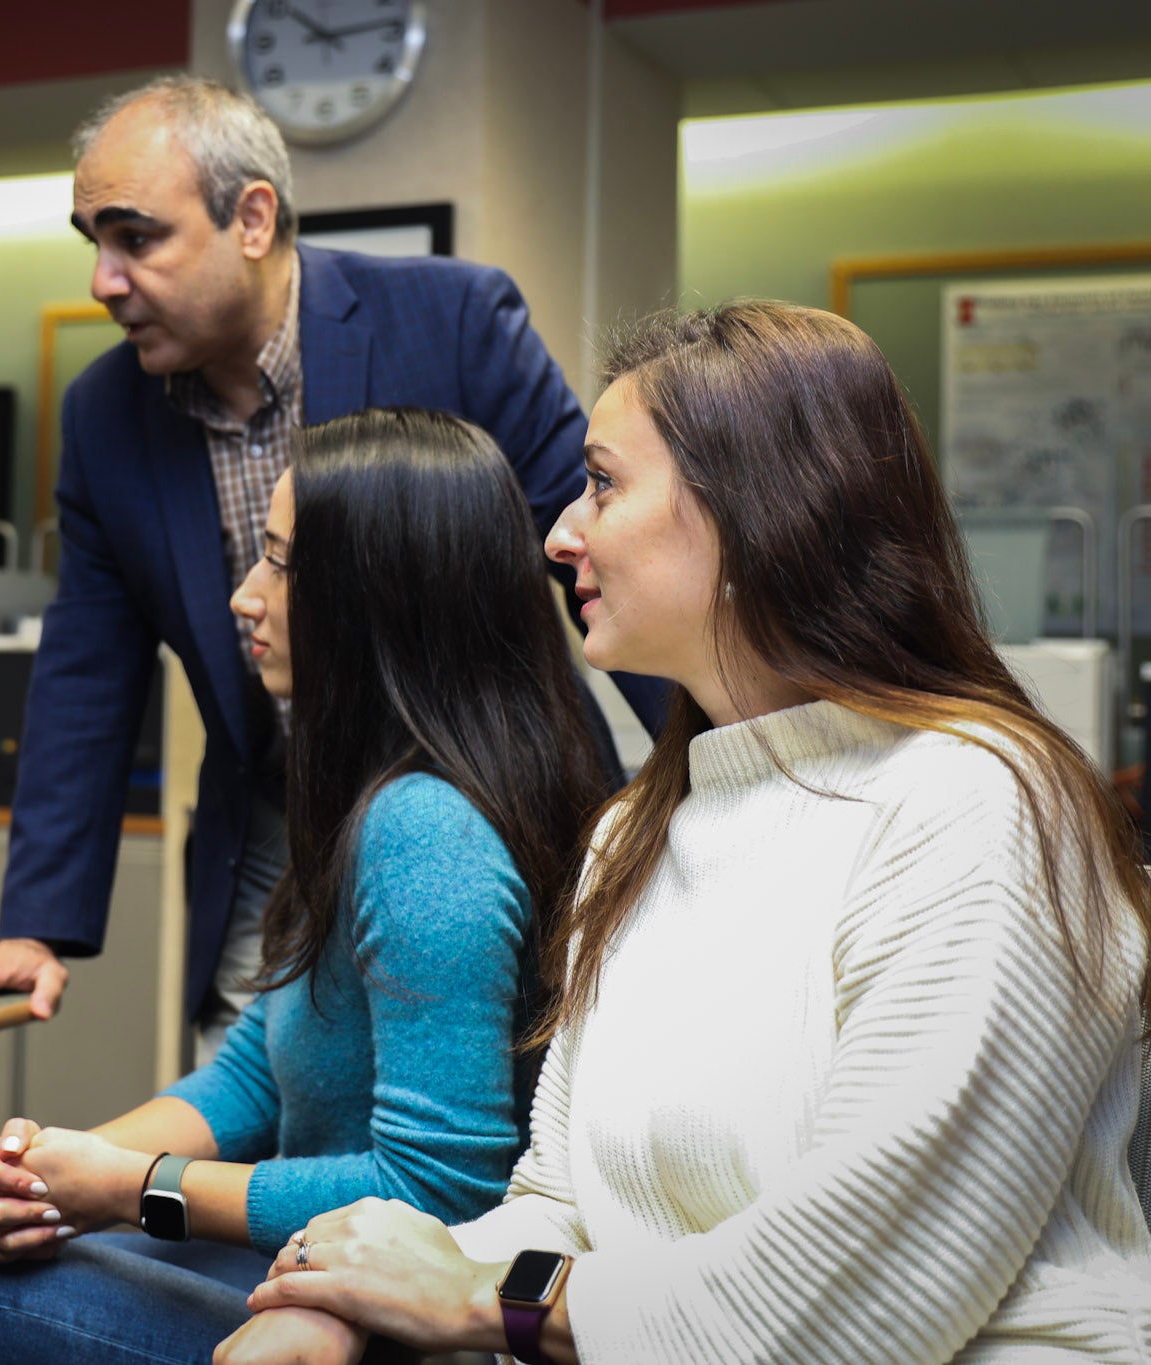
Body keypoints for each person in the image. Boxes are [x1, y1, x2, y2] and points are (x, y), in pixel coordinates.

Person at [216, 300, 1151, 1365]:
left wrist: (484, 1305)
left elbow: (852, 1307)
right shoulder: (637, 833)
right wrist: (340, 1297)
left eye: (602, 484)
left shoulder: (980, 809)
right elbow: (556, 1206)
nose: (560, 532)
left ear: (761, 511)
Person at [0, 74, 665, 1048]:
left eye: (136, 238)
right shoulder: (101, 415)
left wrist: (718, 773)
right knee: (247, 1086)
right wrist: (34, 926)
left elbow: (598, 550)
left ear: (251, 218)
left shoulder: (451, 321)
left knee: (493, 1106)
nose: (102, 281)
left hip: (485, 807)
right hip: (276, 820)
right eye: (94, 245)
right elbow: (86, 666)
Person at [0, 409, 615, 1364]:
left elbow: (438, 1189)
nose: (246, 596)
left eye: (281, 564)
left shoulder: (428, 830)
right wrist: (44, 1174)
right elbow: (256, 1066)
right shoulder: (379, 790)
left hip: (389, 1326)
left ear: (375, 594)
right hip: (317, 1271)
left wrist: (129, 1186)